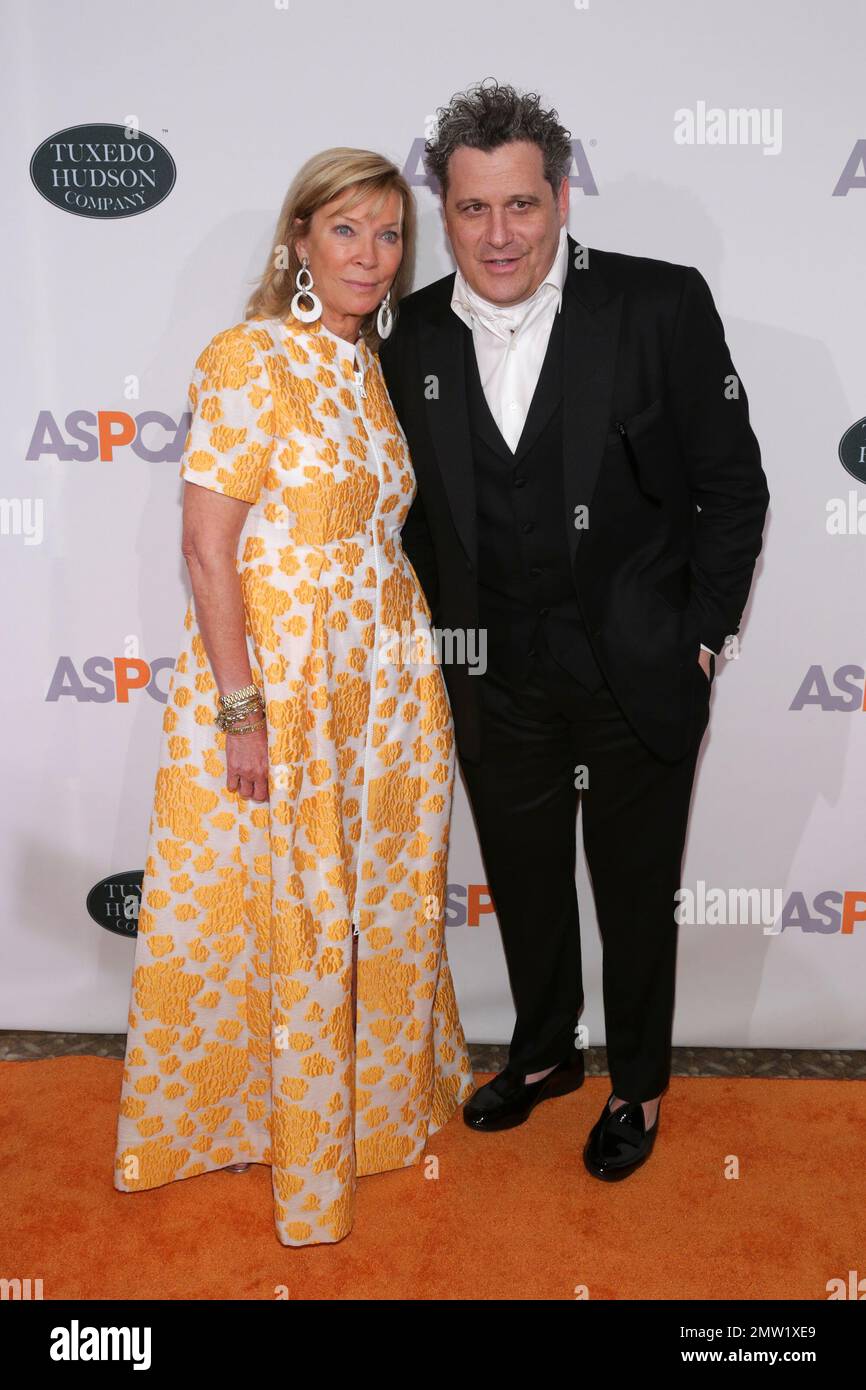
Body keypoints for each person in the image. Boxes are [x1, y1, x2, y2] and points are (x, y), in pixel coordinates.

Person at [379, 80, 770, 1180]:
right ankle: (546, 1050)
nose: (497, 235)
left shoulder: (655, 305)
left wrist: (700, 637)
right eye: (470, 209)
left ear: (559, 198)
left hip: (634, 664)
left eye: (520, 205)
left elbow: (731, 490)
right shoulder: (403, 336)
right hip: (489, 671)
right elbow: (401, 516)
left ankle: (637, 1083)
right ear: (442, 211)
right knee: (525, 875)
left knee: (636, 890)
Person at [113, 148, 475, 1246]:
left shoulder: (367, 364)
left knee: (367, 898)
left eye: (389, 234)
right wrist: (241, 709)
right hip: (287, 681)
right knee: (286, 908)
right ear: (299, 241)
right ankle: (278, 1140)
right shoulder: (249, 357)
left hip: (386, 690)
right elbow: (206, 547)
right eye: (347, 231)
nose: (371, 255)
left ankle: (366, 1113)